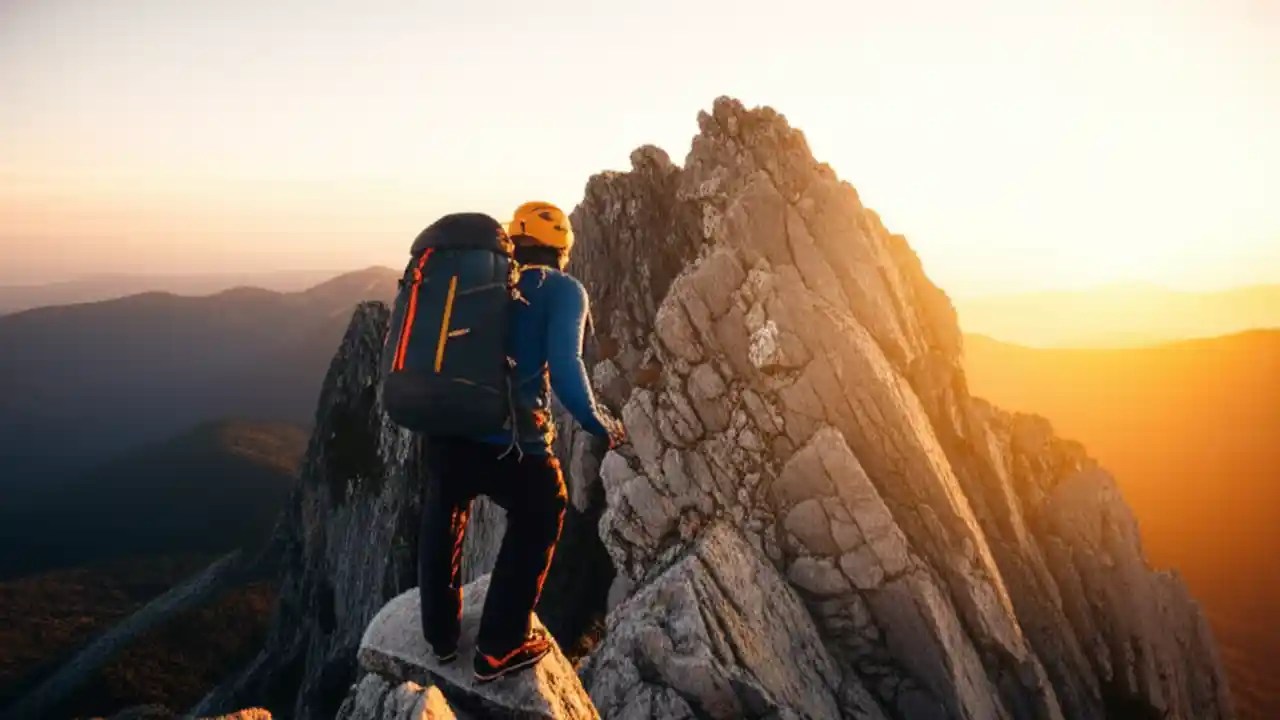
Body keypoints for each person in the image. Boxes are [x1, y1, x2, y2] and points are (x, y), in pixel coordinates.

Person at [418, 201, 625, 683]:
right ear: (562, 249)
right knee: (542, 512)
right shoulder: (562, 290)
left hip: (448, 430)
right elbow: (567, 369)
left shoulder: (480, 281)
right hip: (513, 444)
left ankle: (441, 638)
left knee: (444, 514)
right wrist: (599, 425)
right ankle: (499, 646)